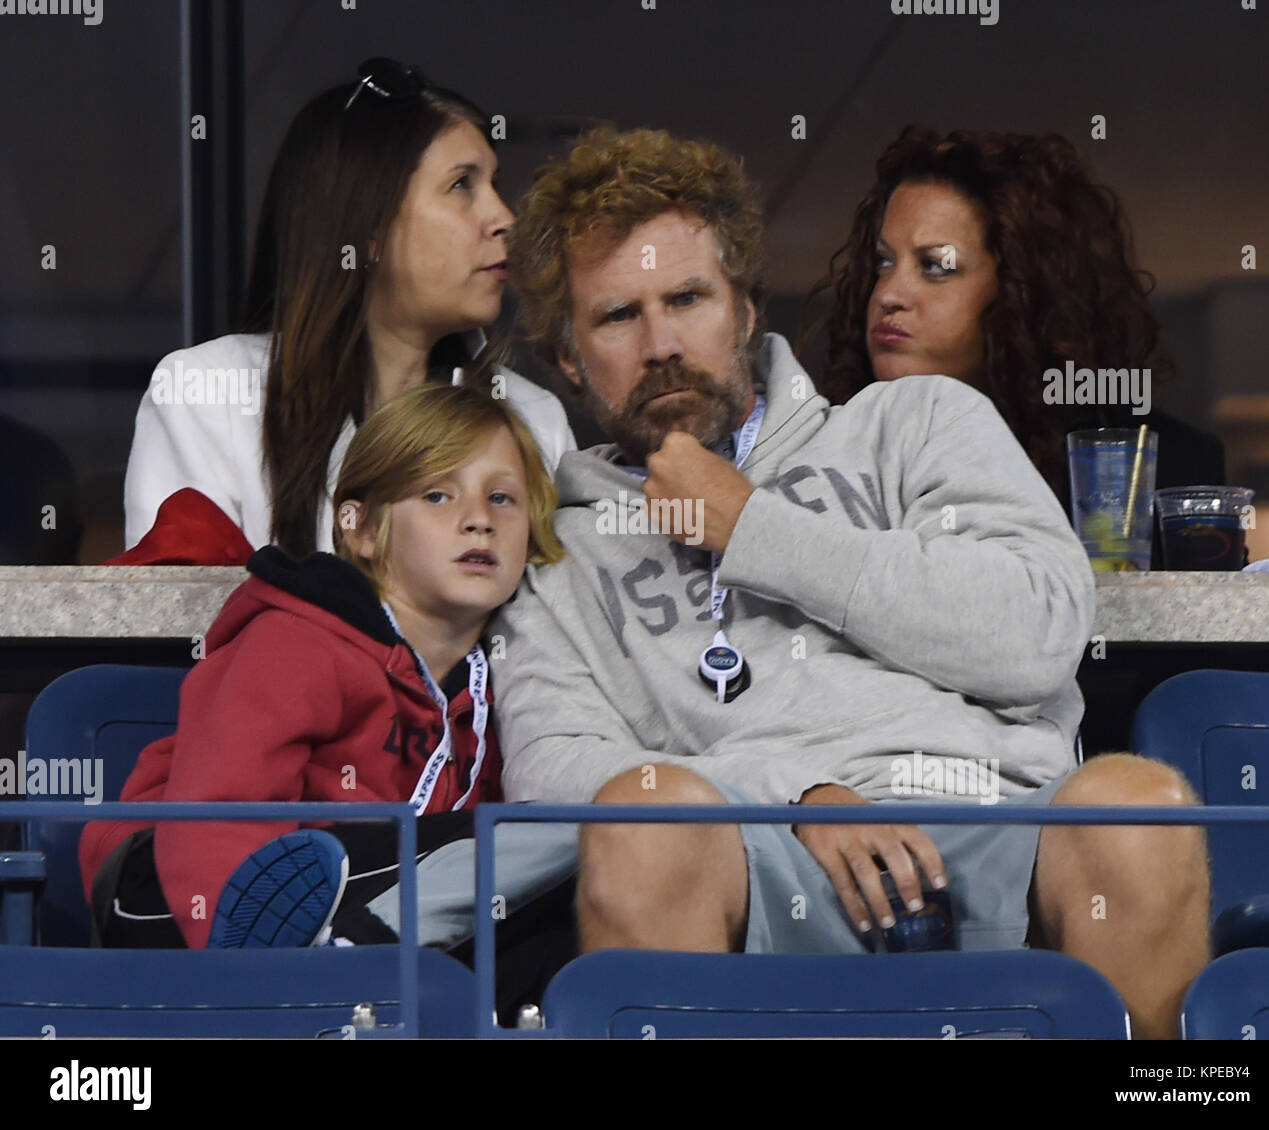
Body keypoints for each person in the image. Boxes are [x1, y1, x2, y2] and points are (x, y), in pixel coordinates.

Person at [493, 126, 1209, 1039]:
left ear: (747, 310)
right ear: (564, 357)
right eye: (617, 316)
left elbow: (1036, 632)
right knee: (644, 823)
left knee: (1139, 807)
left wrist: (755, 527)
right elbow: (555, 777)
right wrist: (795, 796)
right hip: (751, 858)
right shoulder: (560, 550)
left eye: (687, 297)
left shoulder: (915, 419)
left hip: (994, 828)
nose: (663, 342)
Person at [81, 386, 575, 1004]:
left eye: (502, 497)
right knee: (542, 834)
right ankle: (326, 973)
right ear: (362, 528)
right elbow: (218, 810)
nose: (480, 517)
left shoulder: (506, 680)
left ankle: (359, 963)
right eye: (438, 495)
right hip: (176, 901)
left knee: (565, 905)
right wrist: (250, 976)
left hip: (374, 902)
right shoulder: (299, 637)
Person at [123, 58, 574, 561]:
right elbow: (179, 625)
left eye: (493, 183)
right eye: (462, 185)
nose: (504, 218)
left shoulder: (534, 419)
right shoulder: (204, 394)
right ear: (368, 227)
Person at [807, 126, 1226, 569]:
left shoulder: (1143, 463)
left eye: (934, 266)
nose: (888, 294)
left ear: (1023, 292)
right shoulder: (823, 452)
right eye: (883, 262)